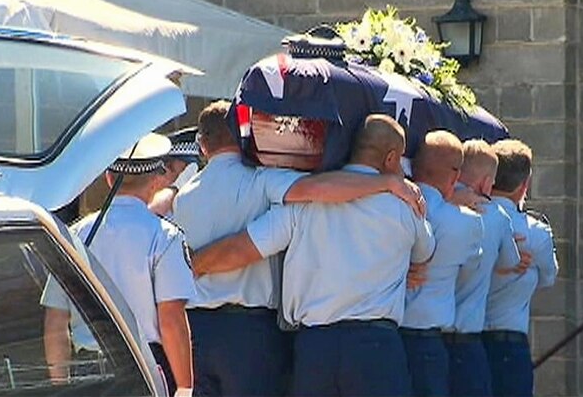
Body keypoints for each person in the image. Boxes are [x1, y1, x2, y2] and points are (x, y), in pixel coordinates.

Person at [172, 104, 425, 397]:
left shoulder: (183, 196)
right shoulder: (262, 180)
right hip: (249, 332)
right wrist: (386, 183)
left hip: (197, 329)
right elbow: (320, 190)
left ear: (202, 145)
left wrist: (191, 265)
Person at [72, 133, 196, 397]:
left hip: (85, 370)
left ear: (108, 178)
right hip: (142, 368)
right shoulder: (165, 237)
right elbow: (171, 318)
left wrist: (60, 381)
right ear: (155, 181)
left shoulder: (77, 234)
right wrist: (185, 388)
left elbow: (56, 318)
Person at [401, 131, 484, 397]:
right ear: (455, 176)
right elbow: (471, 271)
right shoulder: (468, 223)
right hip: (428, 340)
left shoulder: (391, 206)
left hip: (386, 337)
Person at [445, 139, 520, 397]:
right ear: (487, 183)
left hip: (428, 339)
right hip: (468, 343)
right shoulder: (498, 218)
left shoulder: (437, 207)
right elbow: (511, 264)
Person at [483, 139, 558, 397]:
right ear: (524, 185)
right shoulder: (536, 232)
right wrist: (527, 269)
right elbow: (549, 277)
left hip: (468, 342)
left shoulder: (473, 217)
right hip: (510, 343)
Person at [149, 127, 201, 218]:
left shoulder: (192, 200)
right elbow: (149, 214)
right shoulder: (149, 197)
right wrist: (175, 188)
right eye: (184, 170)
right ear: (166, 167)